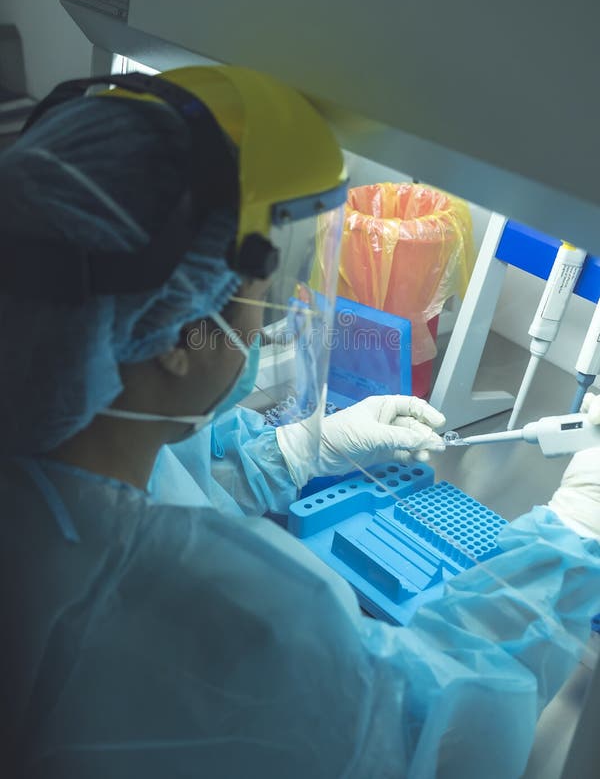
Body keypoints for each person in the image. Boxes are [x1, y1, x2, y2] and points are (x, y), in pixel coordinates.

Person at [0, 66, 598, 779]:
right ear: (177, 336)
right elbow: (427, 727)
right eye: (260, 292)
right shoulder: (238, 623)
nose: (268, 323)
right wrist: (574, 537)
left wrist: (292, 451)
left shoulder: (53, 444)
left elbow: (158, 483)